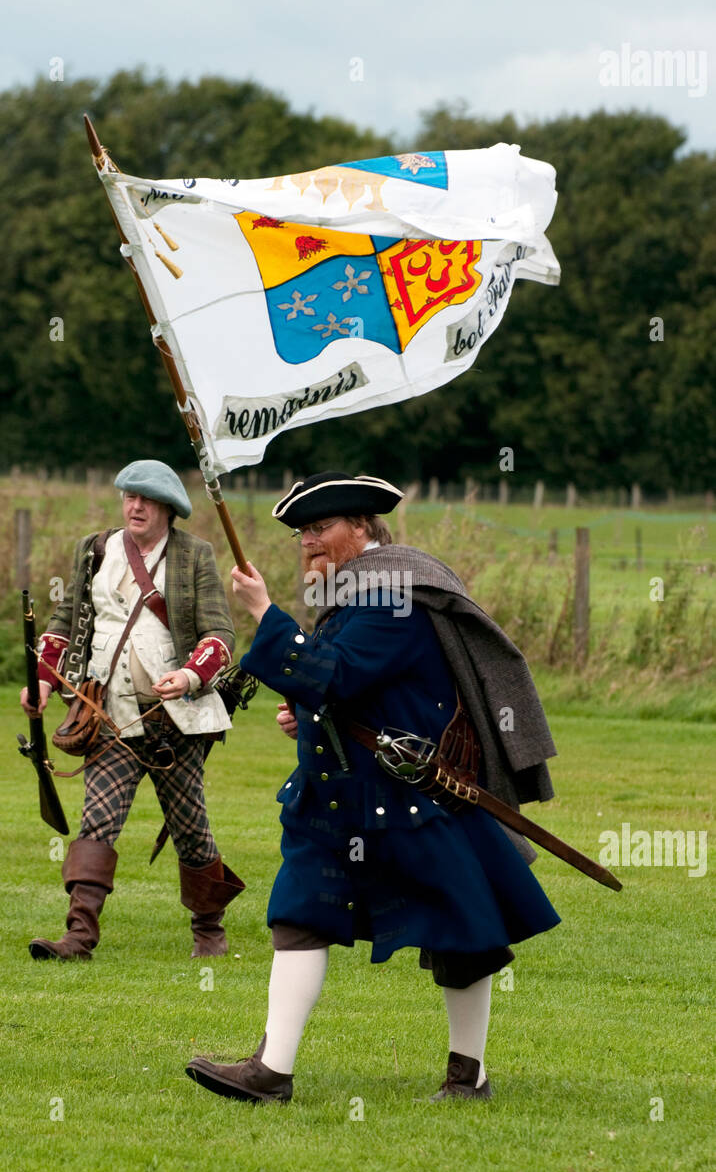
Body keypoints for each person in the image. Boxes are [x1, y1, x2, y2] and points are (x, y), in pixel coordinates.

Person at [186, 471, 560, 1105]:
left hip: (411, 799)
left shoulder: (395, 596)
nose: (309, 543)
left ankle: (469, 1078)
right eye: (303, 532)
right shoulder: (355, 596)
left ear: (361, 528)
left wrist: (263, 613)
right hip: (335, 800)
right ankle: (272, 1072)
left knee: (463, 934)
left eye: (321, 528)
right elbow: (347, 691)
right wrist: (303, 717)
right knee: (298, 916)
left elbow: (338, 672)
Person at [21, 459, 244, 961]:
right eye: (128, 496)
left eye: (146, 499)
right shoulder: (94, 549)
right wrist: (42, 679)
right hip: (107, 715)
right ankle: (77, 938)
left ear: (168, 507)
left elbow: (220, 634)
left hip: (174, 722)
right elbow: (65, 619)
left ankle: (209, 932)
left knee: (192, 830)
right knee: (97, 823)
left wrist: (190, 675)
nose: (135, 506)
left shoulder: (194, 555)